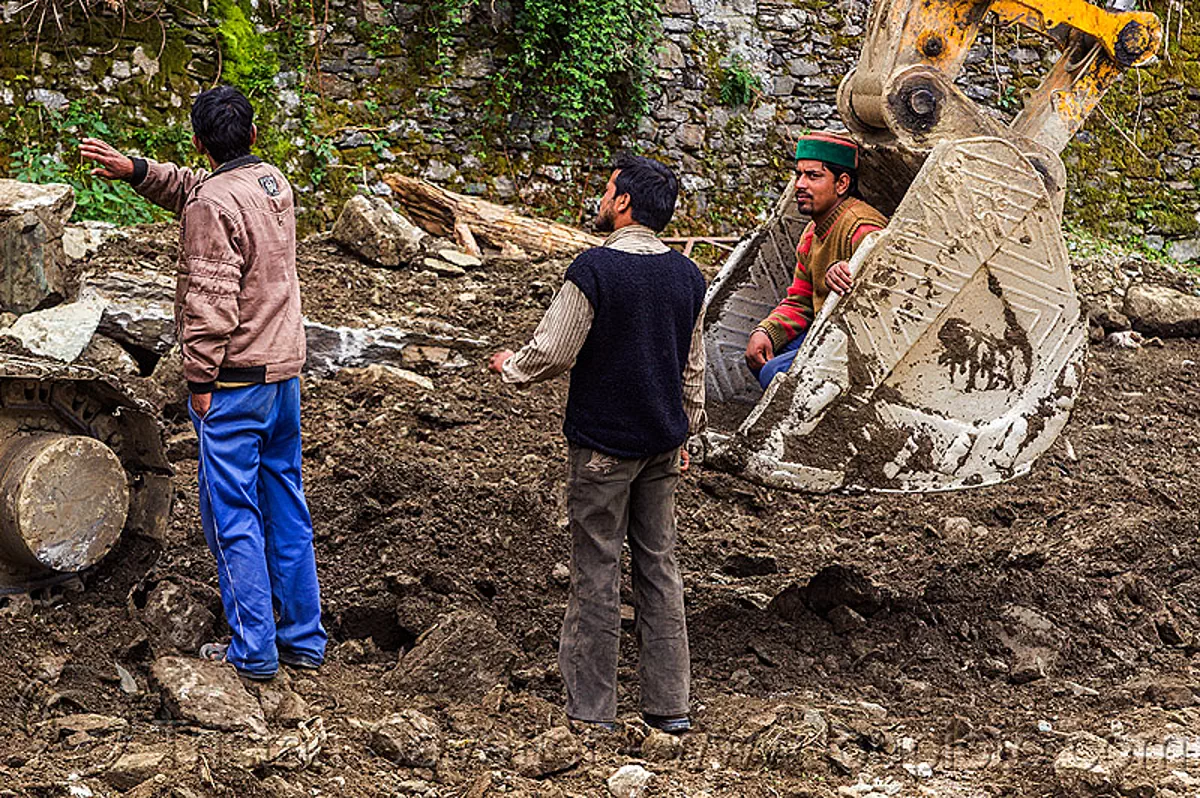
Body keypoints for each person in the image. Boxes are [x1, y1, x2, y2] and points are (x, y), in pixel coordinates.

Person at [80, 86, 326, 681]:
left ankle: (253, 652)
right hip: (283, 374)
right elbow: (200, 187)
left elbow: (210, 301)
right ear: (254, 137)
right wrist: (135, 170)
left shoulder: (211, 206)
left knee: (231, 514)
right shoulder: (271, 183)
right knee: (285, 502)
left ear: (197, 140)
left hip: (236, 382)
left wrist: (198, 381)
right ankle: (302, 639)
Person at [489, 153, 706, 734]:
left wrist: (512, 366)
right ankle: (669, 705)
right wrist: (685, 429)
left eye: (609, 189)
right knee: (660, 567)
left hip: (604, 448)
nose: (604, 197)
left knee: (597, 569)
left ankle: (592, 709)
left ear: (625, 203)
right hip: (662, 445)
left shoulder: (594, 269)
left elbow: (555, 350)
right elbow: (692, 367)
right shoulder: (689, 277)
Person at [744, 132, 887, 388]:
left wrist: (850, 274)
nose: (800, 184)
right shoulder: (811, 232)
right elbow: (800, 300)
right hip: (822, 331)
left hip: (854, 346)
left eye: (813, 176)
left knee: (774, 373)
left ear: (842, 184)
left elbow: (883, 306)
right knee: (763, 353)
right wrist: (766, 331)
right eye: (799, 174)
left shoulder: (863, 228)